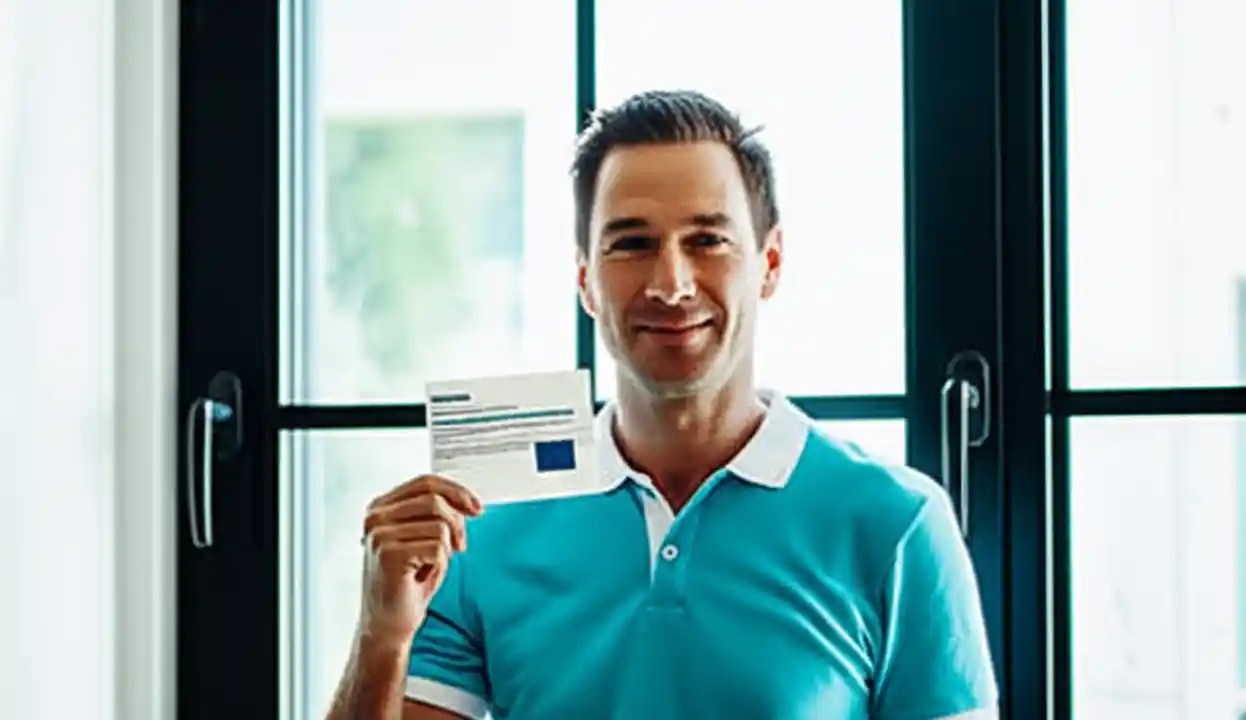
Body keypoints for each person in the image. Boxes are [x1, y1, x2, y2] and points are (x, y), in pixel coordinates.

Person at [326, 89, 999, 720]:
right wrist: (381, 633)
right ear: (586, 280)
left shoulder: (897, 524)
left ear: (769, 264)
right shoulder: (482, 525)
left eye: (707, 240)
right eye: (632, 244)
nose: (671, 284)